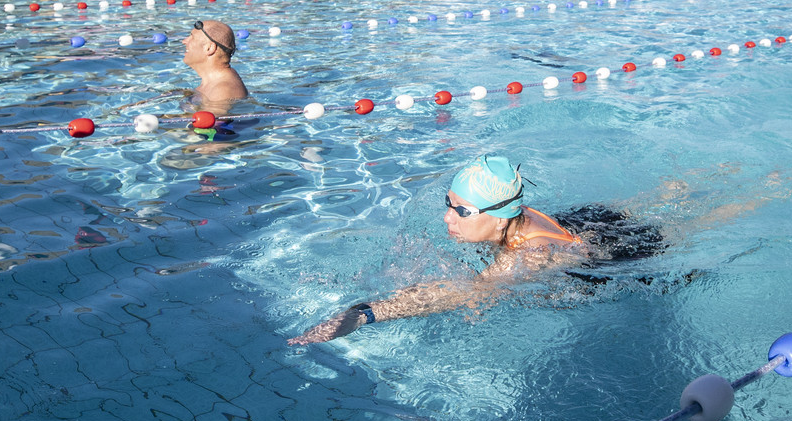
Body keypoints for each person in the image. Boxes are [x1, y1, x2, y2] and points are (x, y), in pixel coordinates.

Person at [287, 155, 665, 345]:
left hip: (618, 255)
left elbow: (466, 293)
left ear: (500, 218)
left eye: (462, 211)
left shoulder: (528, 256)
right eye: (448, 204)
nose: (447, 218)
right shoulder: (508, 216)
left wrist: (365, 315)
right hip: (583, 223)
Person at [181, 18, 247, 116]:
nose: (184, 41)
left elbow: (207, 128)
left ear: (209, 48)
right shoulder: (214, 83)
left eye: (192, 37)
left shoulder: (222, 90)